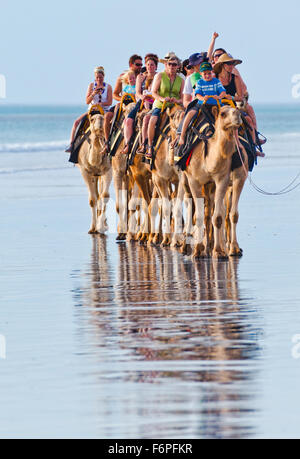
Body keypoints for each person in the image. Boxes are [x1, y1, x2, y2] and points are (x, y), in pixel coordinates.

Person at [213, 53, 265, 156]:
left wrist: (230, 97)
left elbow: (240, 97)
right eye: (229, 63)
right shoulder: (215, 78)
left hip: (231, 106)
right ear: (223, 65)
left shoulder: (235, 78)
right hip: (219, 106)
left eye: (233, 63)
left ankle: (253, 146)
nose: (232, 66)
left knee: (248, 120)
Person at [65, 66, 112, 153]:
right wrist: (93, 93)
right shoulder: (91, 86)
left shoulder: (108, 87)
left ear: (103, 77)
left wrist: (101, 104)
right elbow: (87, 101)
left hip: (104, 111)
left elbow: (109, 102)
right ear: (95, 77)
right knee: (76, 122)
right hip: (92, 111)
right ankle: (72, 145)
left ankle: (108, 142)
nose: (99, 79)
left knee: (108, 123)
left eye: (100, 77)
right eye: (97, 77)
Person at [178, 61, 227, 146]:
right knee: (190, 114)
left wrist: (219, 97)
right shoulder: (200, 82)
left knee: (229, 115)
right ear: (201, 74)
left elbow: (223, 92)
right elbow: (197, 94)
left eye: (209, 73)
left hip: (216, 105)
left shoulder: (216, 81)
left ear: (212, 72)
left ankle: (236, 139)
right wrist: (203, 98)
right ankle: (182, 136)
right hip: (202, 105)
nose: (207, 75)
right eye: (205, 74)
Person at [147, 55, 184, 158]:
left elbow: (183, 98)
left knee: (186, 119)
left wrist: (177, 100)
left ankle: (184, 144)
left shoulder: (181, 80)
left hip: (175, 107)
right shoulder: (159, 76)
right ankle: (149, 146)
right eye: (170, 64)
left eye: (174, 64)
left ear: (178, 66)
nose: (172, 66)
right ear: (166, 65)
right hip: (160, 105)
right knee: (152, 120)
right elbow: (153, 92)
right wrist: (163, 99)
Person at [122, 54, 158, 154]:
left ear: (156, 66)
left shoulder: (159, 76)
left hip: (155, 101)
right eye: (148, 65)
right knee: (128, 120)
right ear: (146, 66)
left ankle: (147, 143)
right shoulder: (140, 77)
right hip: (142, 101)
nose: (150, 67)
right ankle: (128, 144)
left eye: (152, 65)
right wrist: (143, 97)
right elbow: (137, 92)